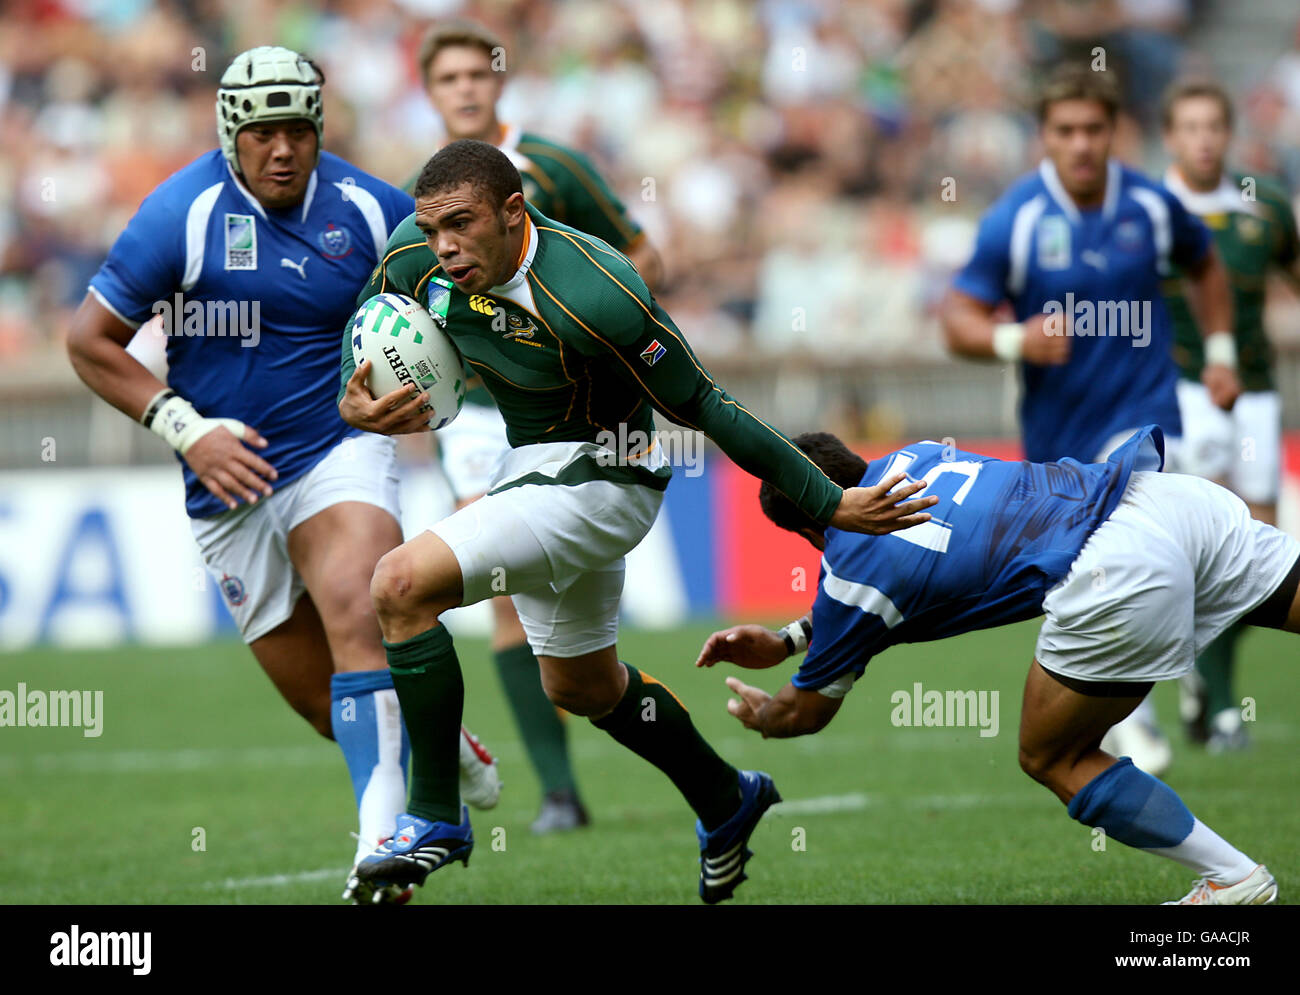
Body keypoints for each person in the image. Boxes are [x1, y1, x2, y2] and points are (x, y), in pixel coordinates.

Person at [336, 139, 938, 903]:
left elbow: (708, 406)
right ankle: (727, 798)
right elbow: (362, 337)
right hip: (531, 469)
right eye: (432, 228)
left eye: (461, 223)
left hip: (607, 476)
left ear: (514, 211)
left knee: (398, 584)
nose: (444, 245)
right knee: (583, 686)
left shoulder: (599, 288)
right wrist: (349, 401)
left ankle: (433, 815)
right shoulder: (414, 255)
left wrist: (828, 499)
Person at [65, 46, 498, 906]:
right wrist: (186, 431)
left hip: (340, 447)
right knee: (322, 700)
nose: (282, 150)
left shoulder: (375, 212)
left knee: (357, 605)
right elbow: (88, 342)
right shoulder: (178, 214)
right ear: (232, 134)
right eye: (262, 133)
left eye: (297, 130)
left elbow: (457, 317)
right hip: (224, 480)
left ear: (318, 129)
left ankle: (384, 847)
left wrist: (423, 394)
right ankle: (446, 746)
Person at [700, 428, 1293, 904]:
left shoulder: (851, 575)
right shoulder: (920, 453)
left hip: (1116, 571)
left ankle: (1230, 879)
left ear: (807, 530)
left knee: (1051, 756)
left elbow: (806, 709)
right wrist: (789, 639)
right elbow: (912, 581)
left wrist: (765, 718)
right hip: (1162, 501)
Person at [402, 19, 666, 833]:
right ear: (430, 91)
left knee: (571, 644)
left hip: (570, 421)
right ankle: (559, 791)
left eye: (477, 75)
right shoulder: (426, 193)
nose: (466, 90)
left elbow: (641, 255)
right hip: (478, 418)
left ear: (500, 81)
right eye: (448, 80)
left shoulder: (552, 167)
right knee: (507, 602)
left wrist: (598, 338)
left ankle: (634, 744)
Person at [940, 63, 1240, 776]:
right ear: (1044, 135)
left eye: (1093, 130)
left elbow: (1205, 267)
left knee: (1134, 554)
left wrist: (1222, 351)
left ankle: (1143, 717)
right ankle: (1161, 690)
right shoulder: (1015, 218)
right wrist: (1016, 338)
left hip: (1144, 419)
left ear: (1114, 132)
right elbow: (957, 319)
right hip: (1057, 444)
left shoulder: (1150, 205)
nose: (1080, 144)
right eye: (1065, 130)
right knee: (1098, 585)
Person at [1160, 77, 1300, 751]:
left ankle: (1203, 678)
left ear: (1229, 131)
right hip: (1184, 391)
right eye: (1189, 127)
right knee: (1216, 540)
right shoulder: (1152, 210)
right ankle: (1219, 709)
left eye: (1213, 125)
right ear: (1171, 137)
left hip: (1258, 392)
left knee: (1260, 553)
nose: (1204, 139)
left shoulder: (1265, 208)